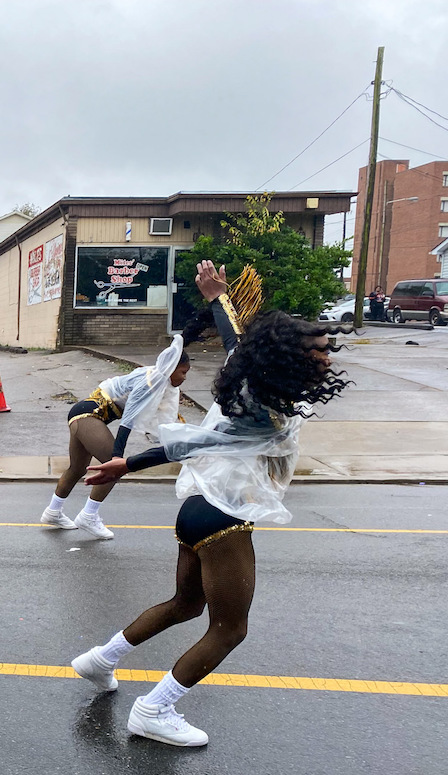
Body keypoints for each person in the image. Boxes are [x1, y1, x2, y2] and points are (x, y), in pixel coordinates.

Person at [70, 259, 350, 747]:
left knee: (186, 604)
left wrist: (219, 299)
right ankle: (154, 709)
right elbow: (195, 440)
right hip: (225, 517)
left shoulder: (246, 379)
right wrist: (128, 463)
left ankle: (100, 659)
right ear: (289, 362)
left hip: (198, 508)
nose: (326, 359)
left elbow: (234, 346)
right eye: (319, 353)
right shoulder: (272, 406)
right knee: (230, 628)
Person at [40, 331, 196, 539]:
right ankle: (89, 515)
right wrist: (117, 457)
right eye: (183, 372)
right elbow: (128, 420)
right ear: (171, 368)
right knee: (111, 467)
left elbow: (164, 423)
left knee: (77, 468)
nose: (184, 378)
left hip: (84, 416)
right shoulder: (150, 381)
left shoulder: (161, 382)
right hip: (88, 415)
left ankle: (53, 512)